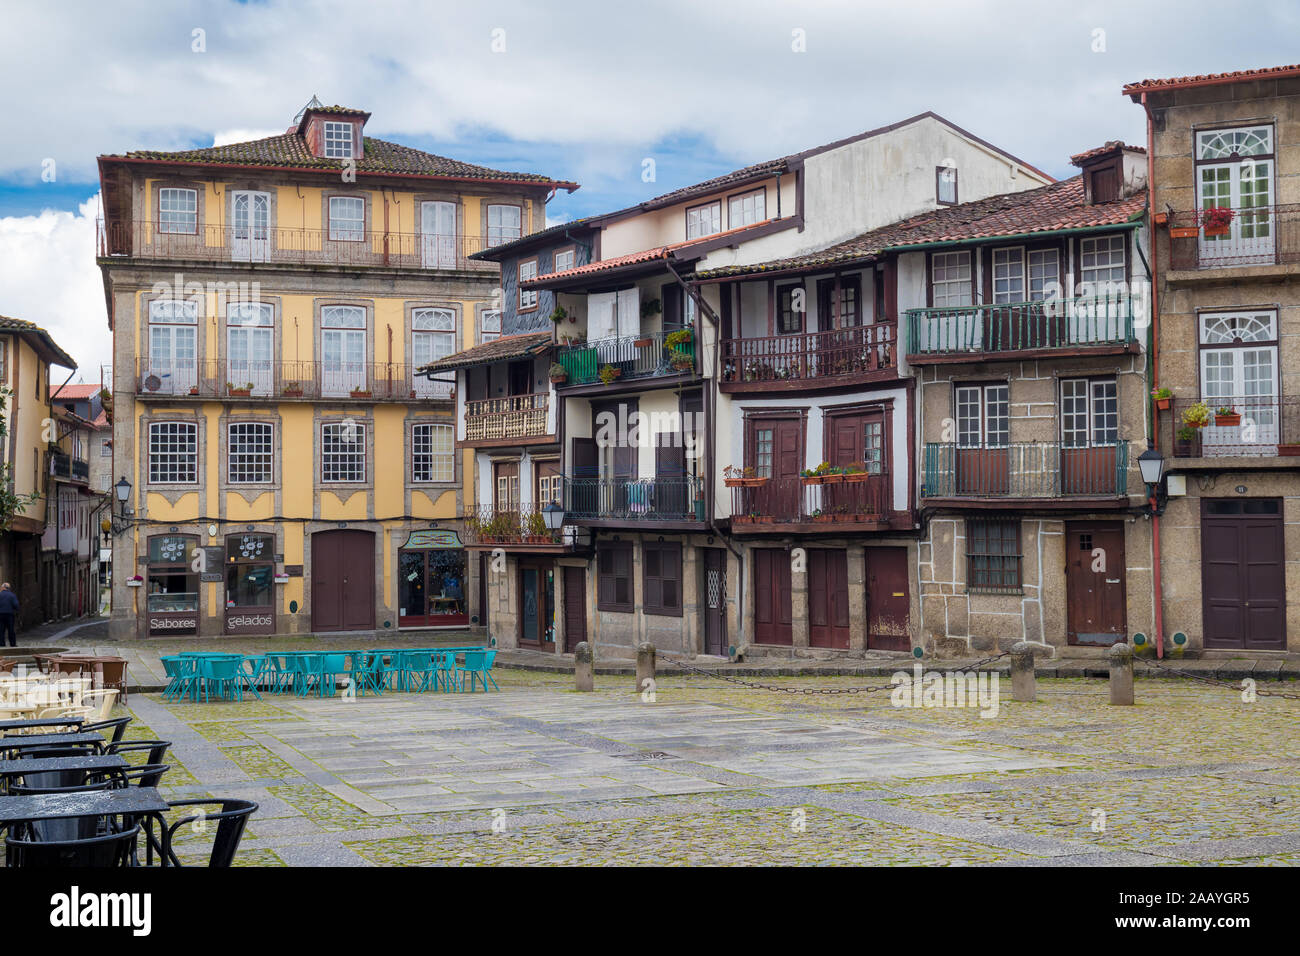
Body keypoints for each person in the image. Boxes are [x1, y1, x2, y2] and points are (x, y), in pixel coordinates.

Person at [0, 583, 19, 648]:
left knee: (1, 630)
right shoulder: (12, 595)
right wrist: (16, 611)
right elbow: (16, 605)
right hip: (9, 615)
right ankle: (12, 644)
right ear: (9, 588)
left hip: (0, 614)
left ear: (3, 588)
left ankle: (1, 644)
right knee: (11, 629)